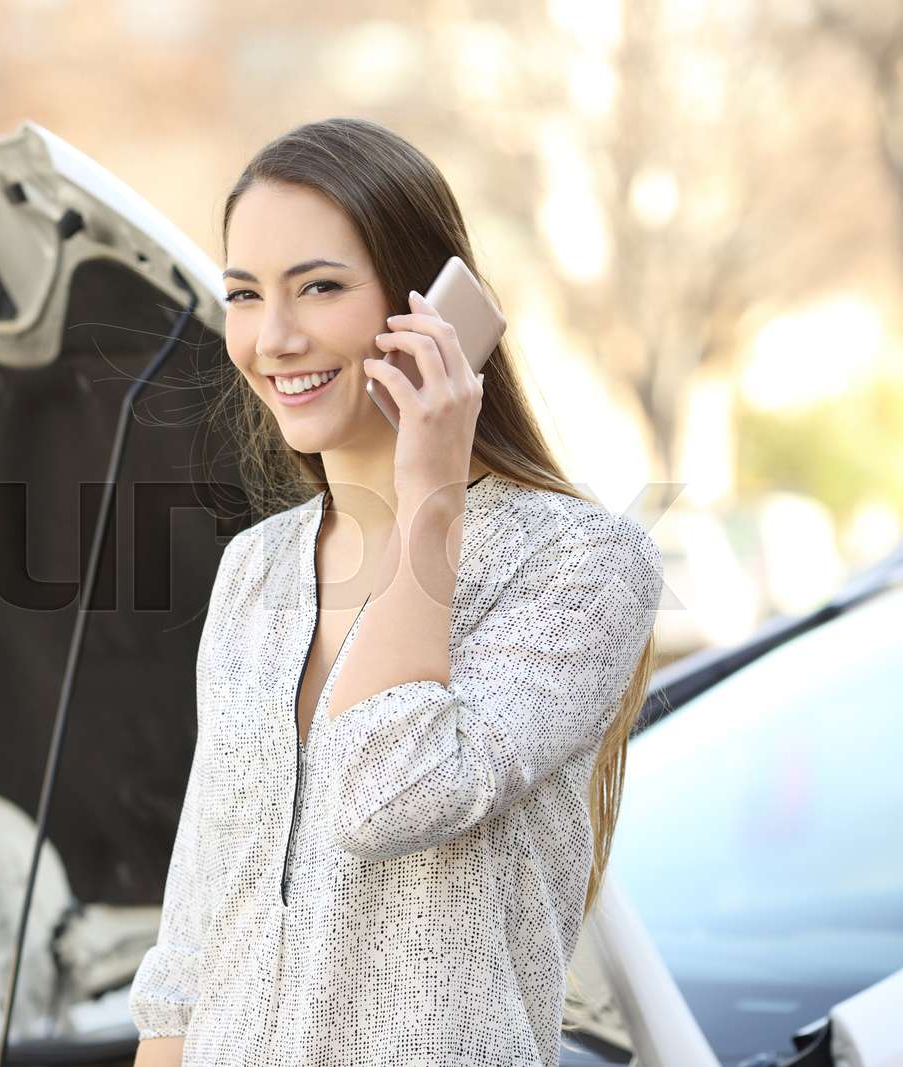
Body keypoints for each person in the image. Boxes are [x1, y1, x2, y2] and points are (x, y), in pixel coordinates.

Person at [127, 117, 665, 1067]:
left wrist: (431, 497)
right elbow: (191, 949)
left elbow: (391, 792)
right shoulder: (254, 570)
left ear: (432, 307)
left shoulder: (582, 564)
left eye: (320, 287)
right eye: (244, 294)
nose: (274, 337)